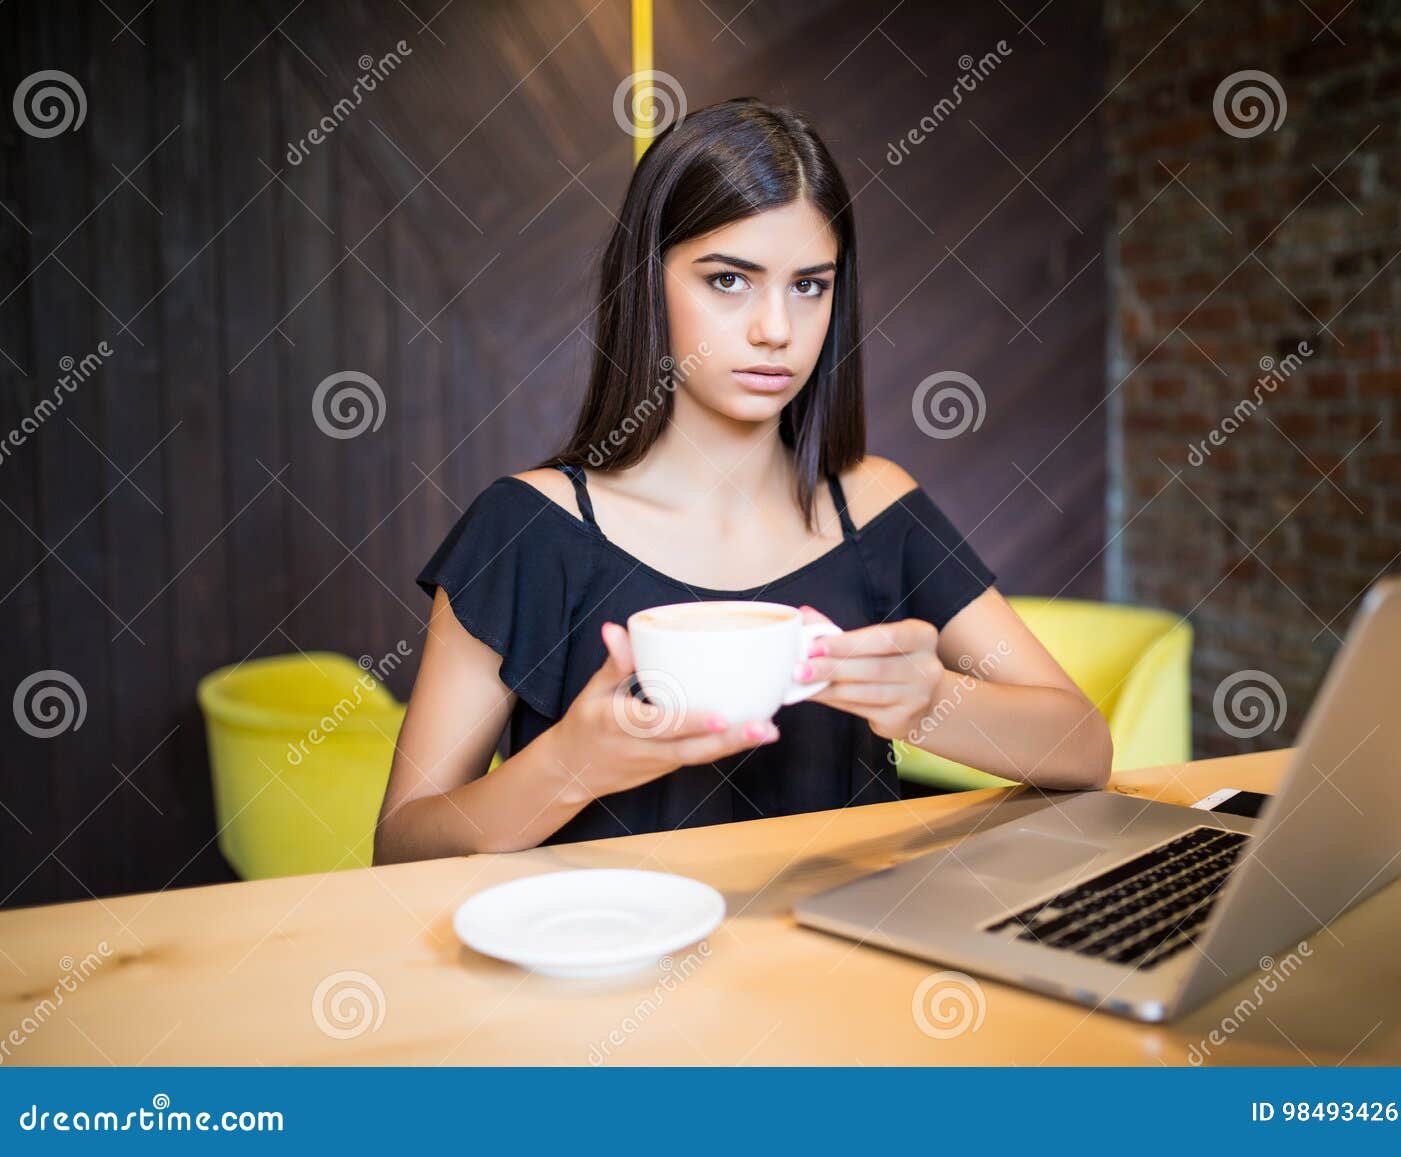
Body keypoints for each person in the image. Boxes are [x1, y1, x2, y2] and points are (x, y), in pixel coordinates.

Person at [372, 98, 1110, 864]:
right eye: (729, 280)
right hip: (607, 976)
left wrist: (934, 702)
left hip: (842, 969)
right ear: (648, 281)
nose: (777, 330)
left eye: (809, 286)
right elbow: (400, 848)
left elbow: (1085, 748)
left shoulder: (876, 506)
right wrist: (569, 766)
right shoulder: (527, 527)